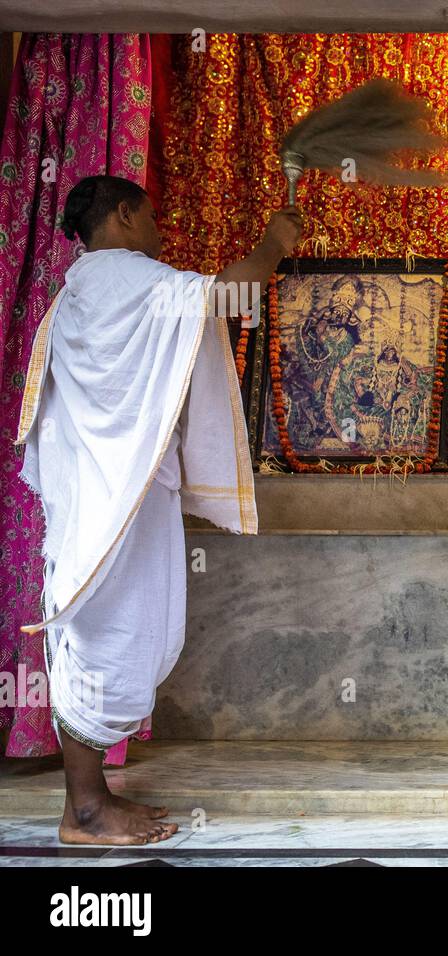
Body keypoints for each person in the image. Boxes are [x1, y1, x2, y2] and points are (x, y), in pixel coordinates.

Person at [13, 175, 302, 845]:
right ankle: (83, 811)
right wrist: (273, 244)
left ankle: (90, 801)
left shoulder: (79, 290)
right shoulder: (126, 278)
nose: (159, 230)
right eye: (151, 215)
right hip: (120, 495)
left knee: (101, 634)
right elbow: (229, 294)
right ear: (123, 214)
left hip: (101, 491)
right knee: (107, 636)